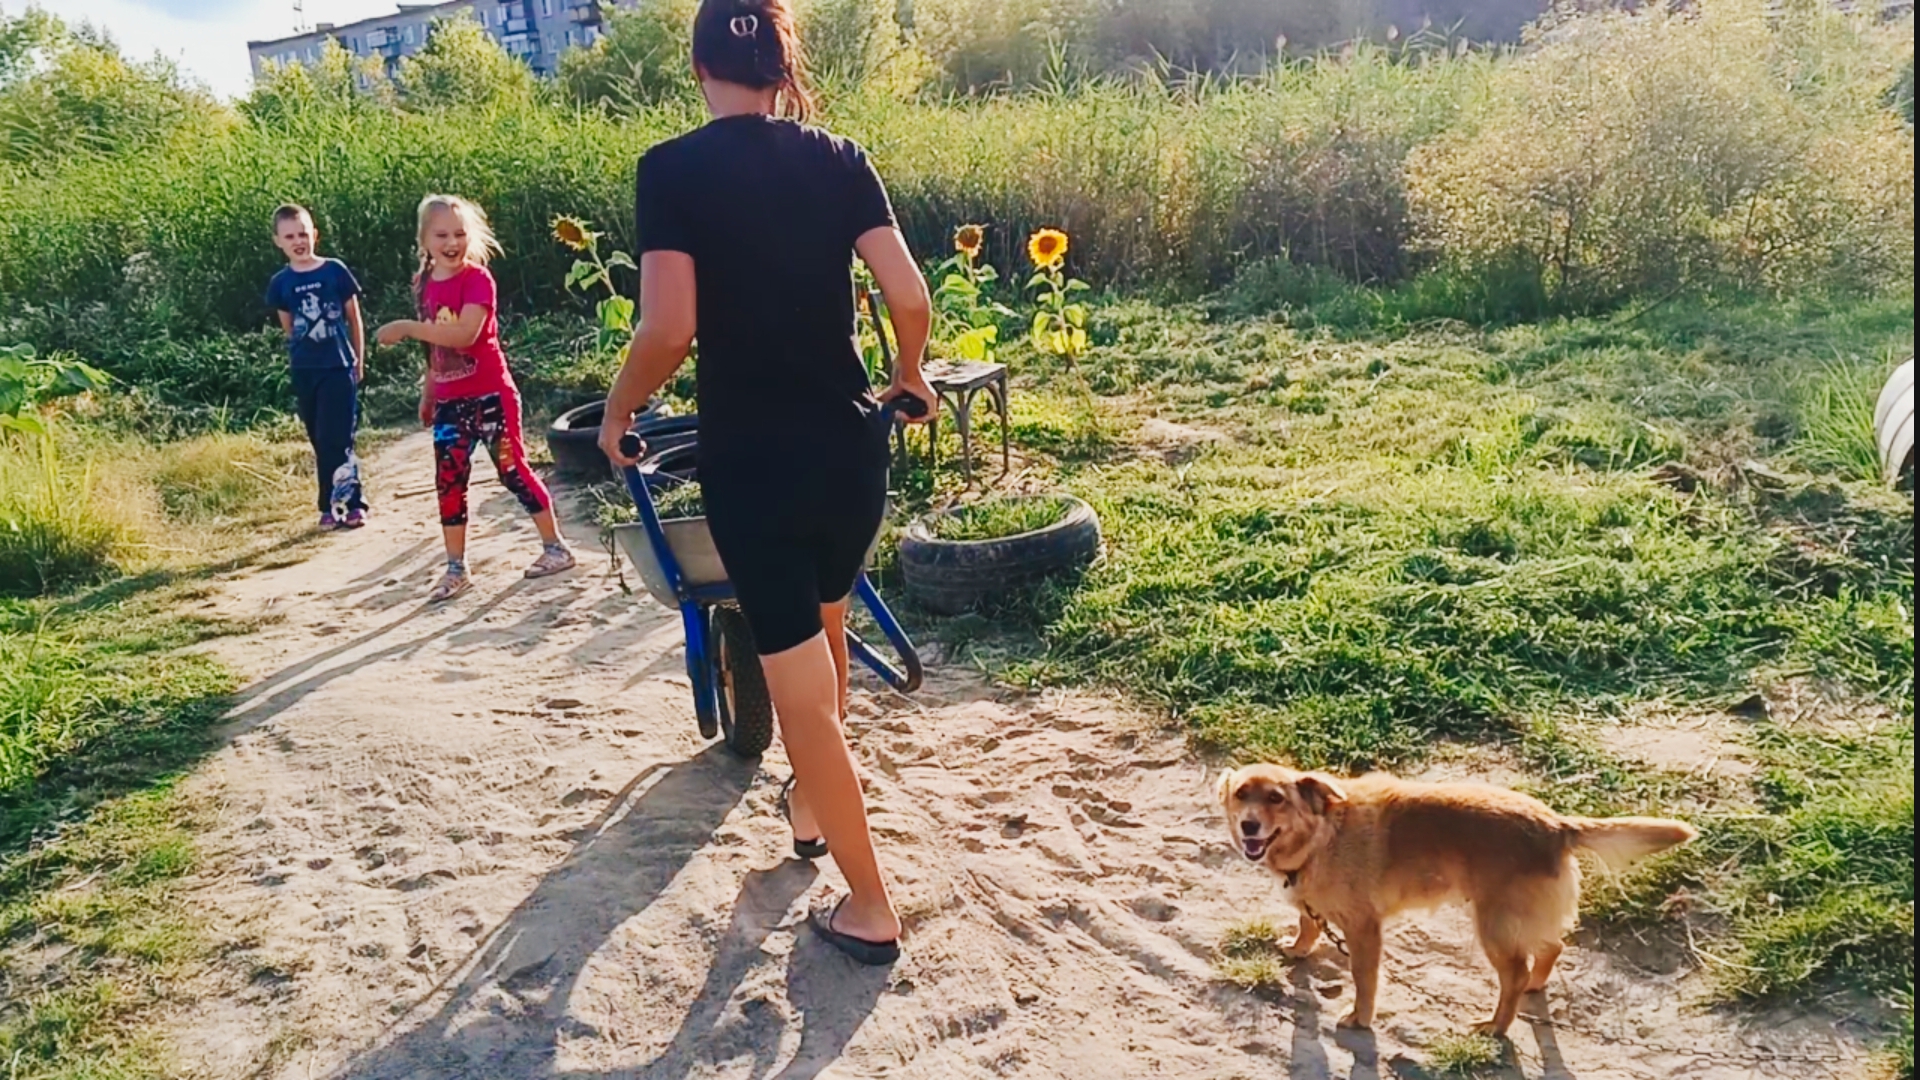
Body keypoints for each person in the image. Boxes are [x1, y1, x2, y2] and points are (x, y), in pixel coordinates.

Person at [599, 0, 938, 967]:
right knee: (828, 630)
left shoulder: (672, 169)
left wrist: (619, 412)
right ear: (784, 72)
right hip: (849, 449)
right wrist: (909, 374)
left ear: (698, 69)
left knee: (803, 698)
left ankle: (869, 906)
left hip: (756, 463)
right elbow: (909, 294)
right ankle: (810, 807)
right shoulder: (840, 157)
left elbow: (669, 328)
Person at [375, 194, 576, 602]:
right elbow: (434, 348)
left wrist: (406, 327)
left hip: (491, 397)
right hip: (450, 403)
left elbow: (465, 334)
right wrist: (430, 392)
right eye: (441, 235)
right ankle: (456, 568)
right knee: (449, 482)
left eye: (459, 233)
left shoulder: (477, 280)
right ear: (424, 240)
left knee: (512, 470)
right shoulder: (424, 284)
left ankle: (555, 547)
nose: (452, 242)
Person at [266, 204, 368, 530]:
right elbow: (289, 327)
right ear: (278, 241)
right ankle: (332, 504)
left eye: (303, 234)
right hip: (305, 370)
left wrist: (359, 359)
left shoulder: (335, 271)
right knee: (318, 438)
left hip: (338, 365)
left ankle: (348, 504)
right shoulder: (281, 283)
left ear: (315, 234)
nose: (298, 241)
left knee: (336, 437)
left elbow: (354, 319)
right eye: (289, 236)